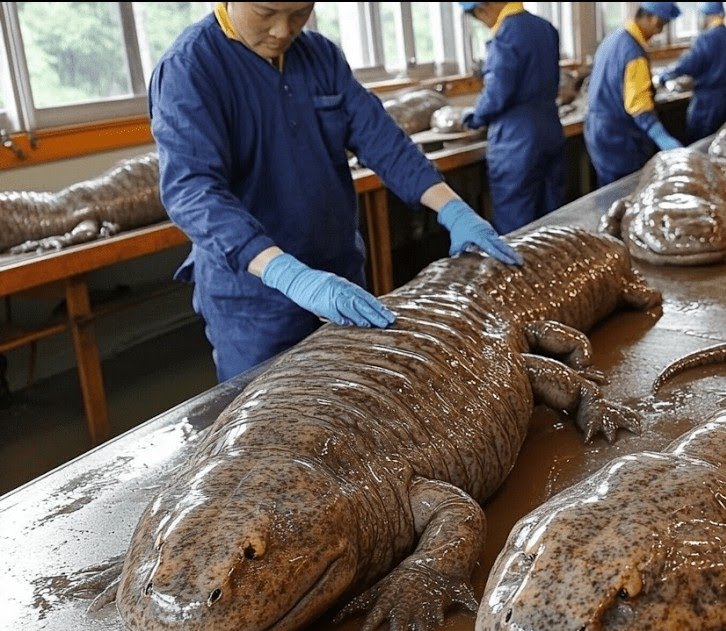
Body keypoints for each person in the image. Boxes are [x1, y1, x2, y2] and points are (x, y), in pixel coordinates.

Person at [150, 2, 523, 383]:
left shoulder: (320, 56)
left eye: (298, 14)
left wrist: (453, 210)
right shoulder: (190, 68)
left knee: (357, 402)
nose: (282, 30)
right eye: (266, 13)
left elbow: (383, 141)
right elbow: (193, 191)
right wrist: (289, 275)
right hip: (256, 300)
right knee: (274, 418)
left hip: (339, 279)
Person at [458, 2, 565, 234]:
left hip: (517, 141)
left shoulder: (506, 33)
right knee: (552, 222)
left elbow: (498, 92)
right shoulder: (546, 28)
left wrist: (475, 117)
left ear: (482, 9)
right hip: (550, 129)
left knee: (517, 226)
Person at [585, 2, 684, 187]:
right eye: (660, 25)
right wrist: (660, 136)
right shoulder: (634, 53)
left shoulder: (614, 38)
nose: (658, 32)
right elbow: (638, 106)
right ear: (652, 18)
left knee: (608, 189)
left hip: (598, 130)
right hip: (619, 137)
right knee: (625, 191)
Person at [657, 2, 726, 143]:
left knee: (701, 147)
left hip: (709, 106)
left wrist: (664, 75)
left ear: (705, 16)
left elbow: (688, 64)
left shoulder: (706, 39)